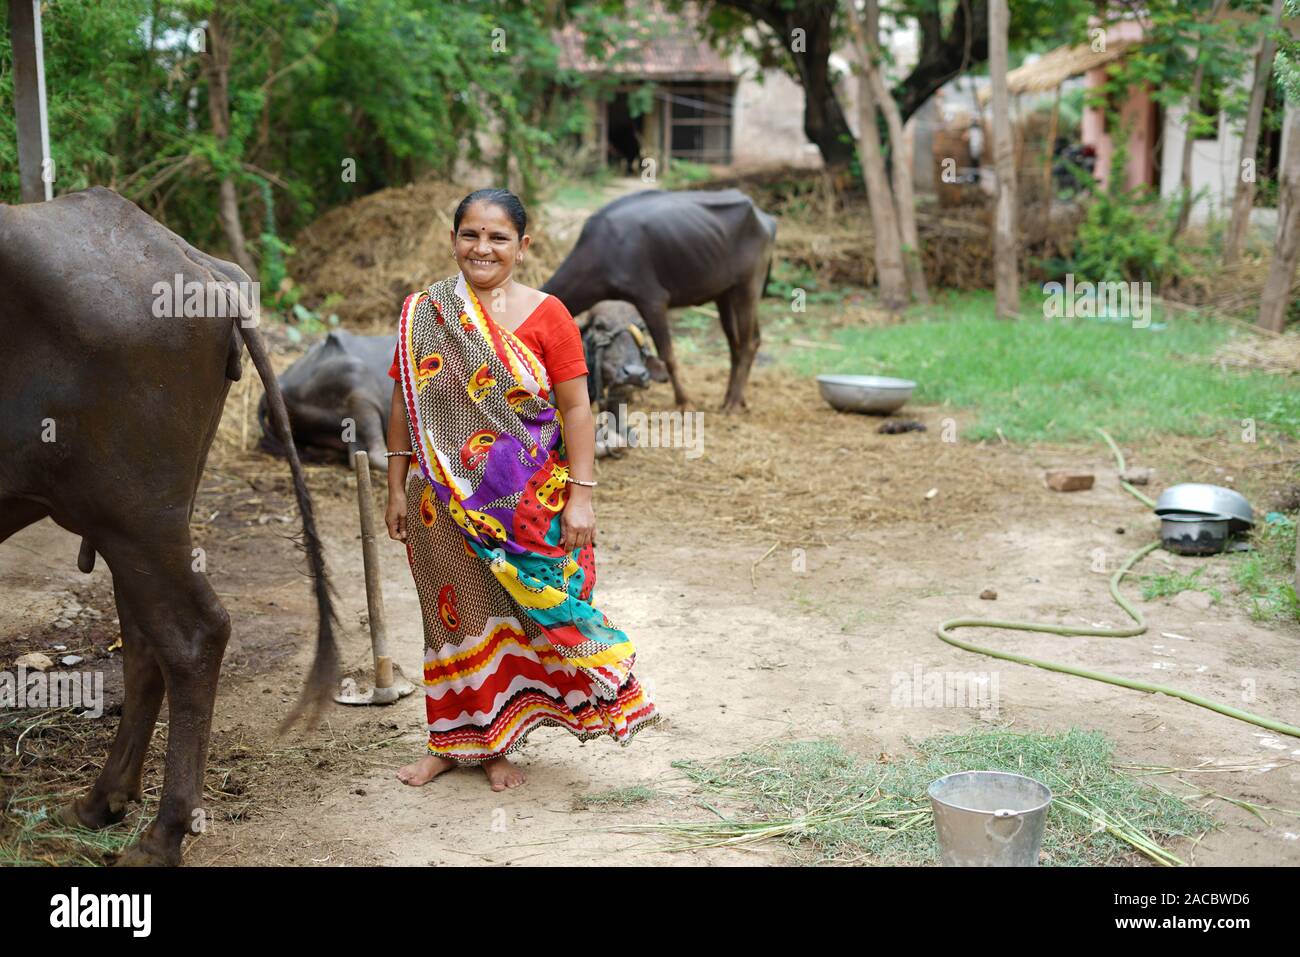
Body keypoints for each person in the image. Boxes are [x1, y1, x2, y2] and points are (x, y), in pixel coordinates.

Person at [384, 187, 659, 792]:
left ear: (522, 247)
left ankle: (498, 743)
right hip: (441, 498)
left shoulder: (549, 314)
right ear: (454, 239)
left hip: (528, 505)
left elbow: (577, 409)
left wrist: (583, 494)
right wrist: (396, 483)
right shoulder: (425, 313)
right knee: (448, 616)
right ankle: (449, 741)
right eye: (470, 235)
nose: (482, 248)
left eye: (497, 237)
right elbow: (406, 398)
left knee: (514, 613)